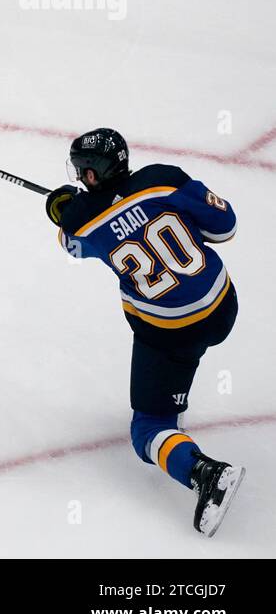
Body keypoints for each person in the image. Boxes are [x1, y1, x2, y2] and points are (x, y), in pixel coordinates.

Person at [46, 129, 244, 536]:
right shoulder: (162, 178)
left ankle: (206, 475)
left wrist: (62, 209)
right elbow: (225, 226)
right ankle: (173, 393)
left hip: (171, 334)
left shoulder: (82, 220)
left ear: (93, 174)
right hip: (222, 306)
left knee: (148, 429)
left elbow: (70, 243)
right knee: (190, 338)